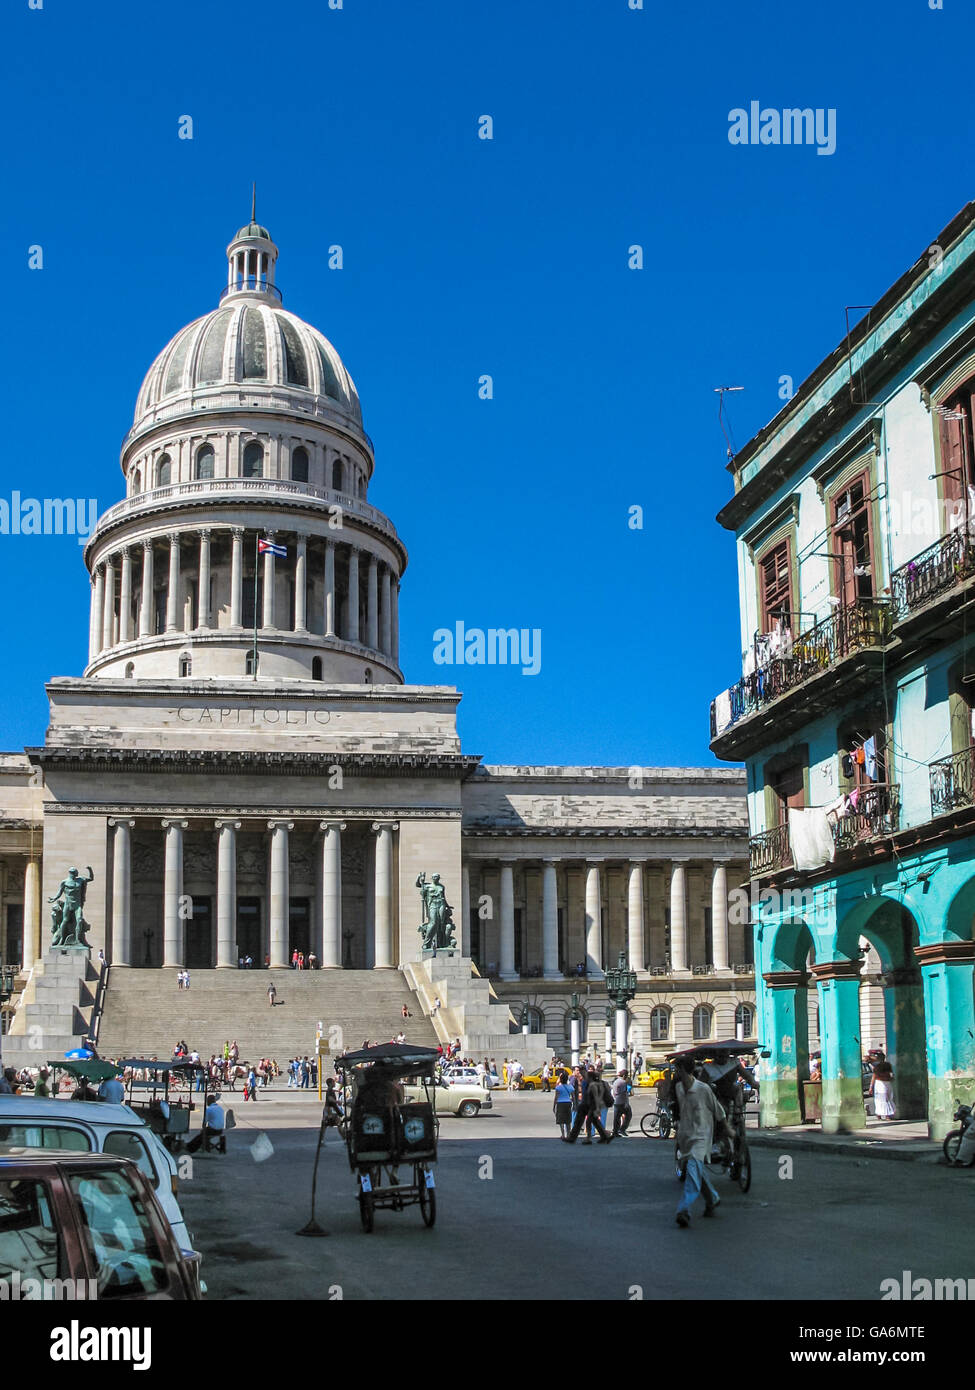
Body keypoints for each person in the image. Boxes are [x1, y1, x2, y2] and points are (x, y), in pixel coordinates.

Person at [674, 1056, 726, 1227]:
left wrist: (728, 1130)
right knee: (697, 1171)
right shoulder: (679, 1088)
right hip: (686, 1137)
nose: (676, 1072)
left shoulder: (703, 1089)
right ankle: (713, 1198)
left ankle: (684, 1210)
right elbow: (679, 1111)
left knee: (692, 1173)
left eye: (677, 1069)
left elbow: (719, 1112)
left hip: (702, 1137)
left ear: (684, 1070)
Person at [565, 1066, 613, 1144]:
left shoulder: (590, 1082)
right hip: (586, 1104)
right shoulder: (585, 1081)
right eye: (580, 1071)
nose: (581, 1073)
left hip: (590, 1105)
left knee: (588, 1122)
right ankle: (604, 1137)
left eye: (582, 1071)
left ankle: (587, 1138)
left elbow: (594, 1095)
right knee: (590, 1121)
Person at [869, 1051, 895, 1120]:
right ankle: (885, 1114)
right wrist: (871, 1087)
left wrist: (891, 1077)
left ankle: (883, 1114)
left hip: (887, 1083)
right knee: (882, 1098)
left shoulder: (887, 1065)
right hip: (880, 1084)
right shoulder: (876, 1066)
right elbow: (874, 1076)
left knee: (888, 1098)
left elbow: (891, 1073)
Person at [612, 1068, 632, 1137]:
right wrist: (626, 1102)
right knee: (629, 1115)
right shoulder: (623, 1082)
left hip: (616, 1101)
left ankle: (615, 1131)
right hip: (622, 1102)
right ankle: (622, 1129)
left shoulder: (616, 1081)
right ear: (624, 1075)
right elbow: (624, 1093)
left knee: (616, 1118)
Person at [553, 1070, 573, 1139]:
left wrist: (554, 1106)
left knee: (561, 1120)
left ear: (560, 1079)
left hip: (560, 1103)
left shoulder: (558, 1087)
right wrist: (573, 1104)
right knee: (568, 1119)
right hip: (568, 1103)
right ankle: (568, 1134)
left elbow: (556, 1097)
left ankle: (563, 1135)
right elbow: (573, 1097)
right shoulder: (570, 1087)